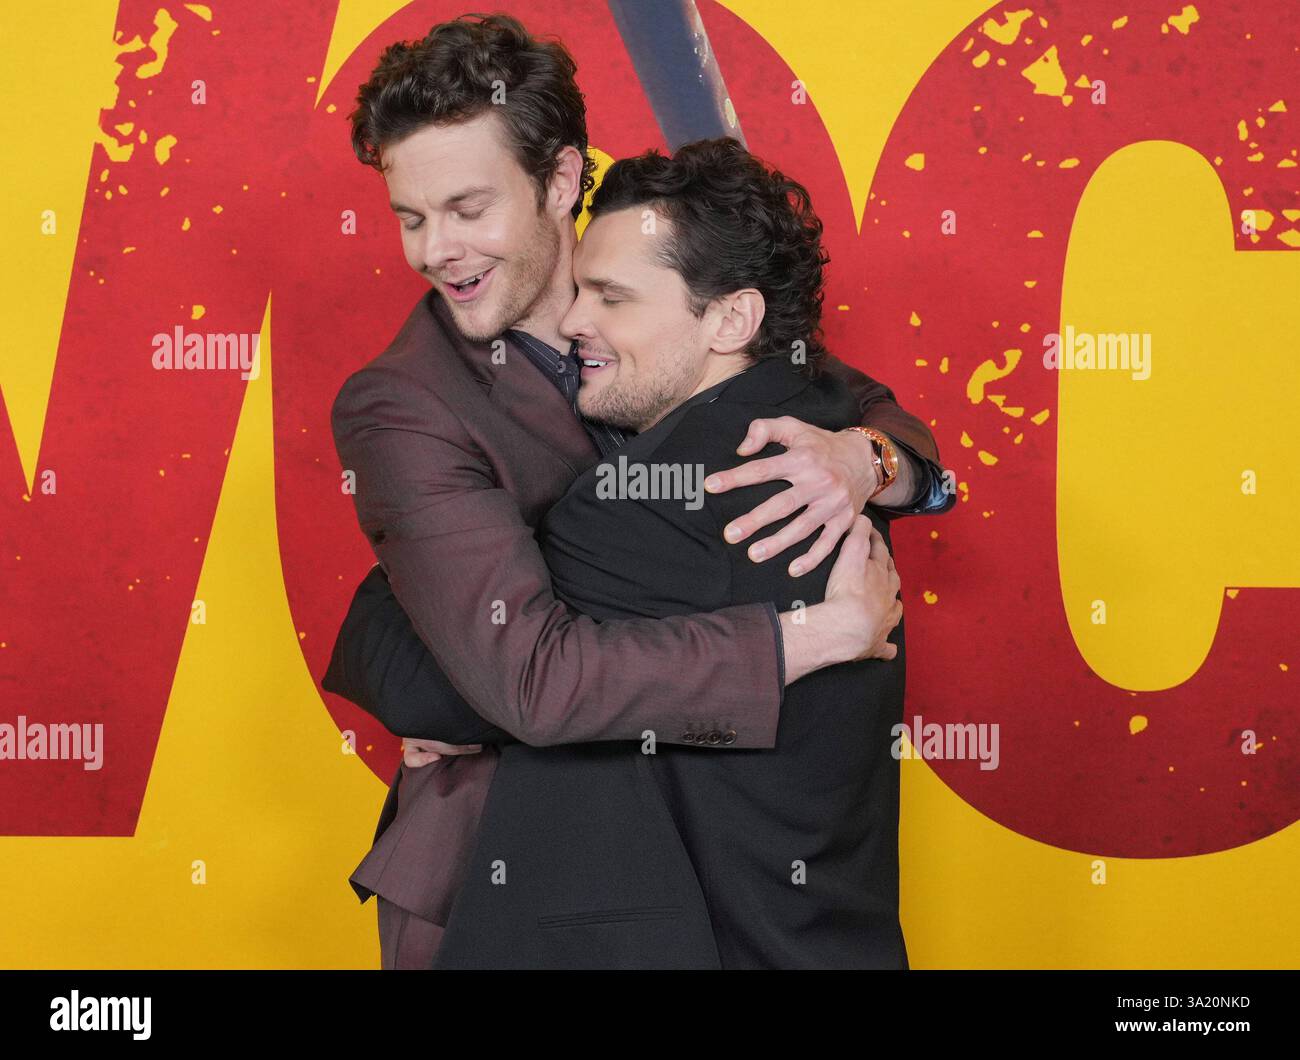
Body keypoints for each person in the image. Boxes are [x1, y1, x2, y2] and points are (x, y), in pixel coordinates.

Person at [325, 12, 952, 969]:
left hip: (709, 866)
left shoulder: (664, 279)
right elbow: (522, 677)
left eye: (467, 208)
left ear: (562, 181)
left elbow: (845, 399)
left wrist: (873, 460)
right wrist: (814, 636)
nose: (436, 250)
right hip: (504, 869)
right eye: (411, 217)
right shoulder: (403, 404)